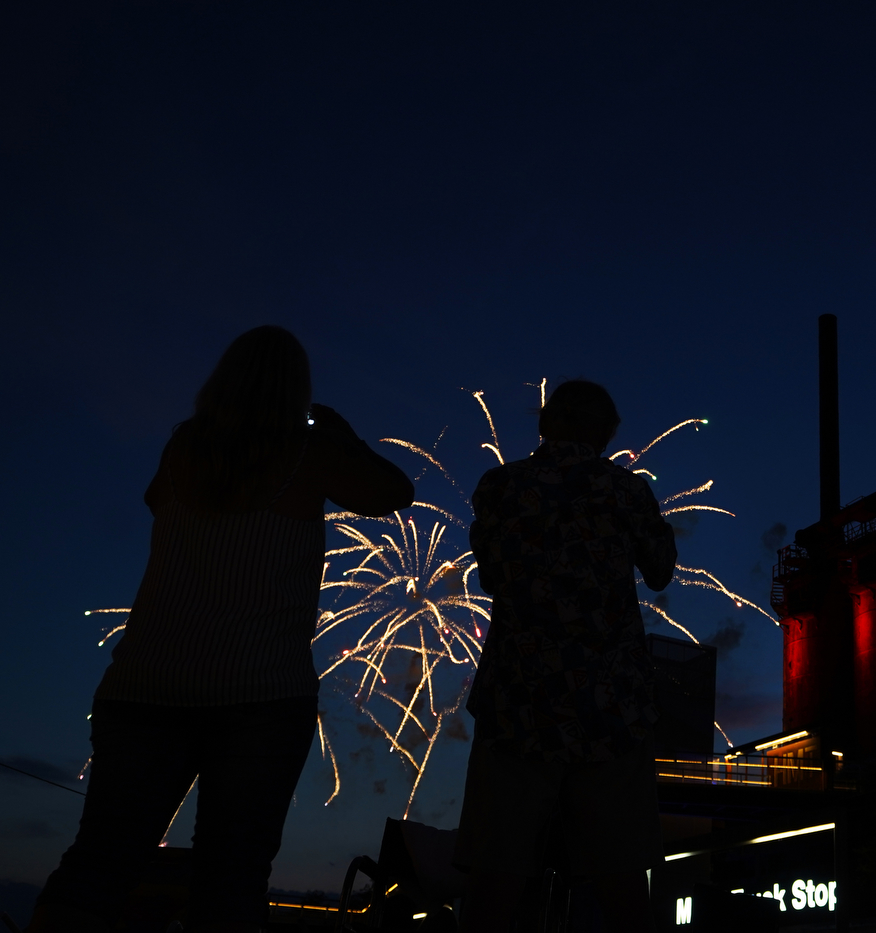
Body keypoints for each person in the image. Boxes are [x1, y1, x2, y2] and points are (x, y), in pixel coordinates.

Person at [30, 326, 414, 933]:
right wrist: (341, 434)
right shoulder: (311, 452)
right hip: (262, 693)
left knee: (100, 863)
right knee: (232, 879)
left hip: (146, 683)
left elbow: (155, 501)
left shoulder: (184, 447)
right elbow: (395, 492)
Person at [454, 380, 677, 933]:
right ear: (605, 433)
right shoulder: (625, 489)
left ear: (546, 423)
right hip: (611, 704)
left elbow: (490, 575)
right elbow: (660, 570)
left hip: (518, 698)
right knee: (622, 873)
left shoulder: (500, 485)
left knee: (496, 869)